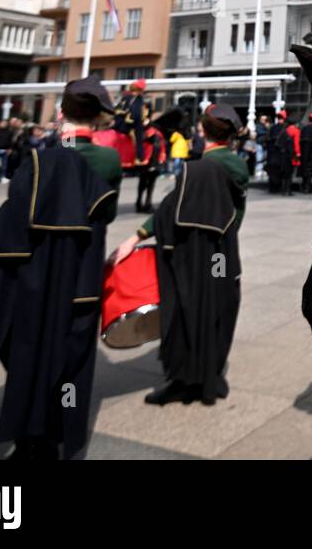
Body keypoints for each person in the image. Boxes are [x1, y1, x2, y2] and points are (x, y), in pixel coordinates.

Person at [0, 75, 122, 459]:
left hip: (32, 271)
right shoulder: (108, 160)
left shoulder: (38, 158)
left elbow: (17, 211)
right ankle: (59, 430)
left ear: (61, 112)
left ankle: (31, 434)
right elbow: (107, 213)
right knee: (69, 357)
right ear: (97, 118)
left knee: (27, 349)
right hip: (79, 273)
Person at [112, 104, 248, 405]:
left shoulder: (197, 168)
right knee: (217, 312)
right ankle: (210, 377)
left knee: (186, 312)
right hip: (223, 254)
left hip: (190, 255)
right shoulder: (237, 165)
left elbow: (168, 211)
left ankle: (184, 379)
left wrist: (135, 237)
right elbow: (232, 216)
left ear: (203, 132)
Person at [134, 121, 166, 212]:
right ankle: (142, 203)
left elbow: (161, 147)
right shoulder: (148, 133)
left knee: (147, 184)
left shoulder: (156, 134)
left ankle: (145, 203)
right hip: (149, 161)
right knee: (145, 184)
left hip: (152, 161)